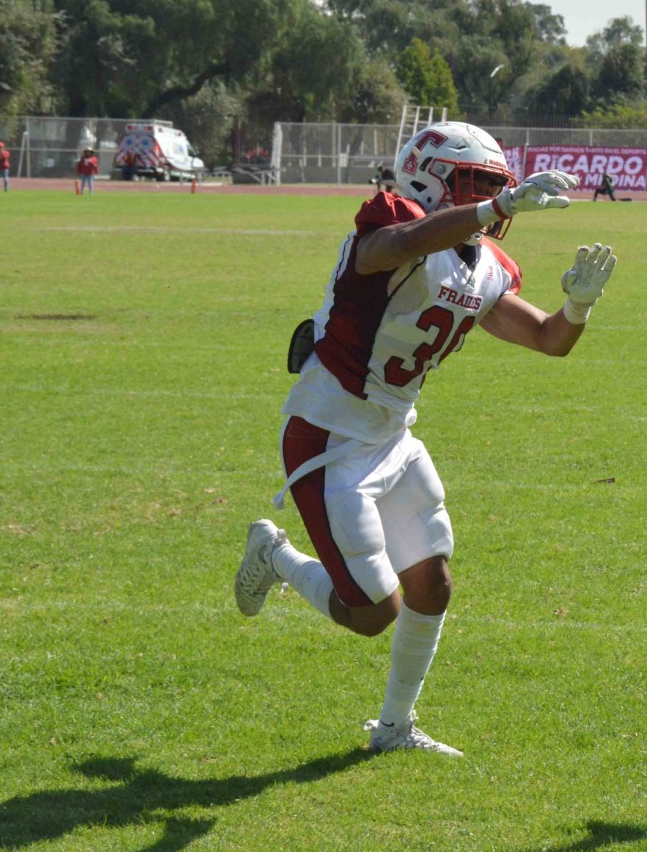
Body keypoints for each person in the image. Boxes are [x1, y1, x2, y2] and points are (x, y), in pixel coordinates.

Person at [233, 126, 613, 757]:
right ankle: (276, 557)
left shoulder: (487, 266)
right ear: (427, 176)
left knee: (433, 582)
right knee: (372, 613)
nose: (494, 198)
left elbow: (549, 339)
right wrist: (492, 211)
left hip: (393, 434)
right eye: (476, 184)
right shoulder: (391, 225)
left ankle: (393, 728)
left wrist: (577, 306)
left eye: (498, 186)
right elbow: (398, 245)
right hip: (330, 431)